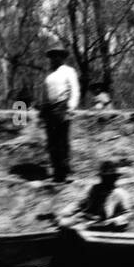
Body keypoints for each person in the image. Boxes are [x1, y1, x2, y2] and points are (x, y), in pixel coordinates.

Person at [40, 41, 80, 182]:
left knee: (62, 141)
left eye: (58, 56)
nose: (55, 59)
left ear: (62, 57)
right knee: (52, 142)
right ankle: (56, 172)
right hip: (50, 110)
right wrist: (42, 110)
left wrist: (71, 107)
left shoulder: (69, 71)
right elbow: (45, 95)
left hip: (62, 107)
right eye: (52, 56)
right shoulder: (49, 76)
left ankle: (65, 172)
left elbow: (75, 90)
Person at [58, 160, 133, 230]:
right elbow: (80, 203)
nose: (107, 179)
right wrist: (66, 211)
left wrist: (114, 221)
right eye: (105, 177)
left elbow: (127, 214)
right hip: (85, 219)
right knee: (62, 224)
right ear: (101, 177)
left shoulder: (120, 193)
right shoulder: (93, 189)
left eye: (110, 177)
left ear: (115, 178)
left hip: (102, 224)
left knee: (76, 230)